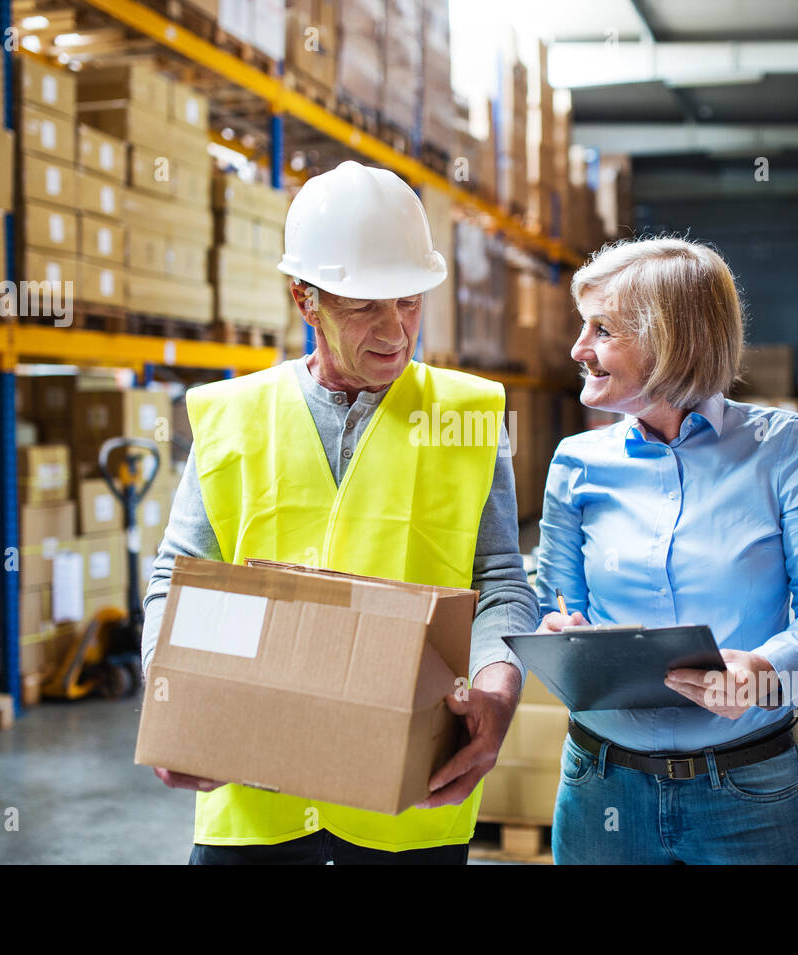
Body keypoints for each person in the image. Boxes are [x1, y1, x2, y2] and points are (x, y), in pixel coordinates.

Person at [142, 161, 538, 865]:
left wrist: (498, 680)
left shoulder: (470, 416)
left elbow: (500, 577)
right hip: (253, 800)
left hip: (406, 804)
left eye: (409, 302)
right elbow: (180, 575)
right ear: (305, 298)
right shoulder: (232, 416)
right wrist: (169, 697)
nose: (394, 330)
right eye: (364, 306)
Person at [535, 237, 798, 865]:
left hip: (748, 788)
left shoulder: (784, 448)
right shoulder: (576, 463)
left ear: (669, 340)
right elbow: (553, 604)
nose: (579, 350)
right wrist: (558, 631)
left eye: (601, 330)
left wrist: (763, 675)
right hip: (602, 784)